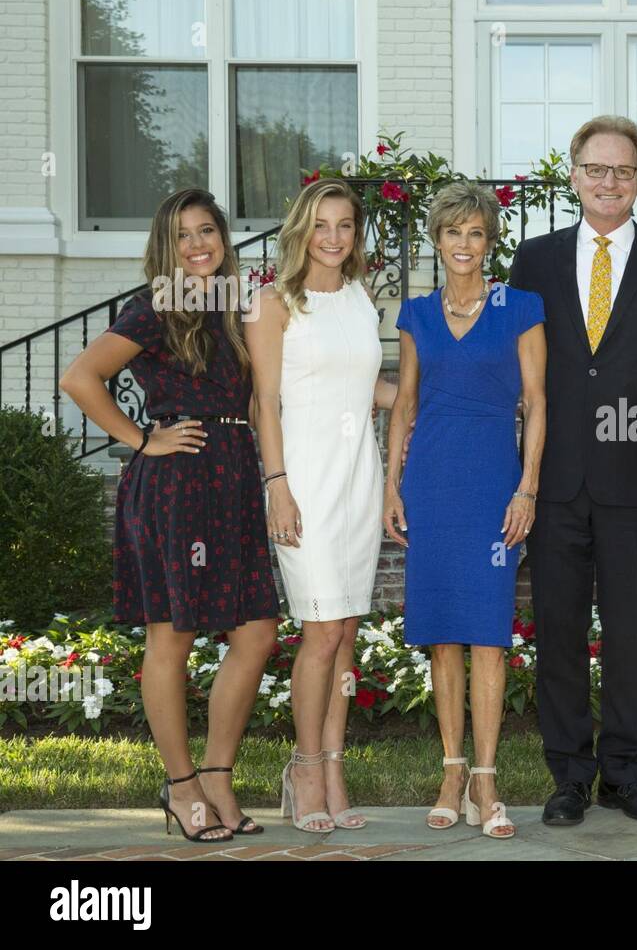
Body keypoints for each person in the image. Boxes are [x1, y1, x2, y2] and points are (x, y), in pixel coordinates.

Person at [59, 188, 278, 842]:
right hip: (176, 483)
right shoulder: (155, 305)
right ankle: (182, 787)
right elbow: (79, 378)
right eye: (183, 235)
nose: (198, 244)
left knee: (257, 632)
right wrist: (142, 438)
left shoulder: (237, 306)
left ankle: (217, 775)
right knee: (172, 637)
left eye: (207, 230)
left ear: (223, 237)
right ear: (166, 247)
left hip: (233, 474)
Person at [506, 115, 637, 826]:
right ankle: (568, 774)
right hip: (554, 479)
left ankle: (624, 771)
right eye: (596, 169)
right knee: (557, 631)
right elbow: (518, 373)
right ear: (574, 176)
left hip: (636, 481)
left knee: (630, 633)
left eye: (622, 170)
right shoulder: (533, 260)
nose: (609, 182)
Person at [383, 181, 546, 840]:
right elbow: (405, 403)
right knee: (442, 632)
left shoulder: (522, 307)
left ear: (490, 241)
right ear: (438, 239)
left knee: (487, 631)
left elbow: (537, 402)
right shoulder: (416, 315)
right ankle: (451, 772)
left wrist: (527, 486)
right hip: (431, 482)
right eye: (453, 232)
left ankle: (486, 779)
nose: (464, 245)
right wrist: (391, 484)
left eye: (476, 233)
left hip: (492, 483)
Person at [246, 178, 392, 833]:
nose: (333, 237)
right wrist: (277, 482)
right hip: (302, 480)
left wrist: (457, 396)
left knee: (347, 634)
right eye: (322, 225)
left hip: (358, 476)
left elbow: (372, 388)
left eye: (345, 226)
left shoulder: (362, 300)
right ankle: (304, 766)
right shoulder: (271, 303)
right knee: (321, 631)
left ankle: (333, 767)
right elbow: (264, 402)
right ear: (301, 231)